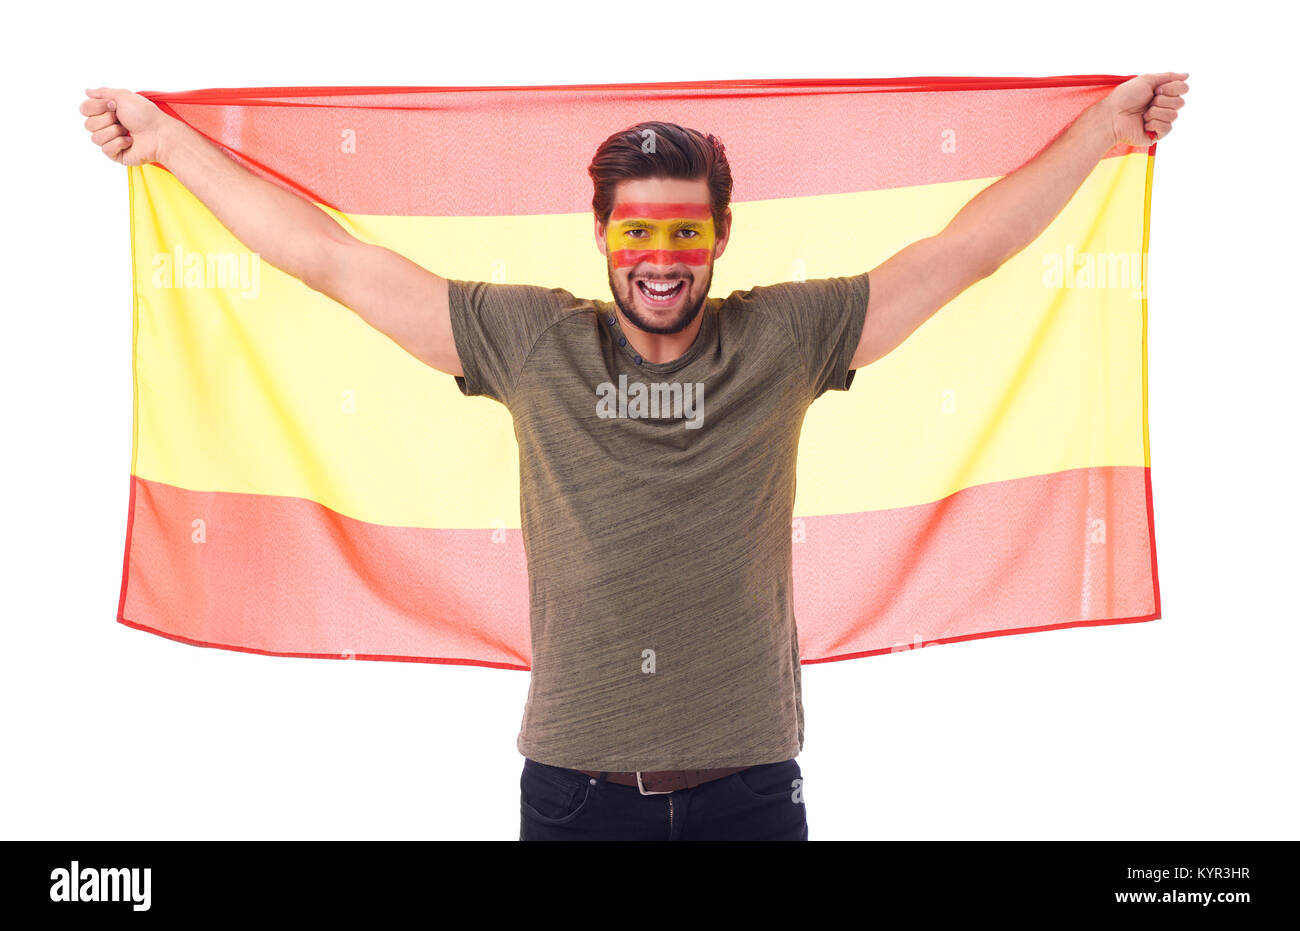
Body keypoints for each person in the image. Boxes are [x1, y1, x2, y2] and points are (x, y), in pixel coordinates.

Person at [79, 73, 1188, 841]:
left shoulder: (786, 338)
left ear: (721, 235)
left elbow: (965, 252)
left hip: (752, 794)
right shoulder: (531, 341)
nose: (661, 257)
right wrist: (169, 144)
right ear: (603, 235)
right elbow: (328, 258)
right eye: (637, 230)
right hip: (577, 796)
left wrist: (1102, 131)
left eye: (685, 230)